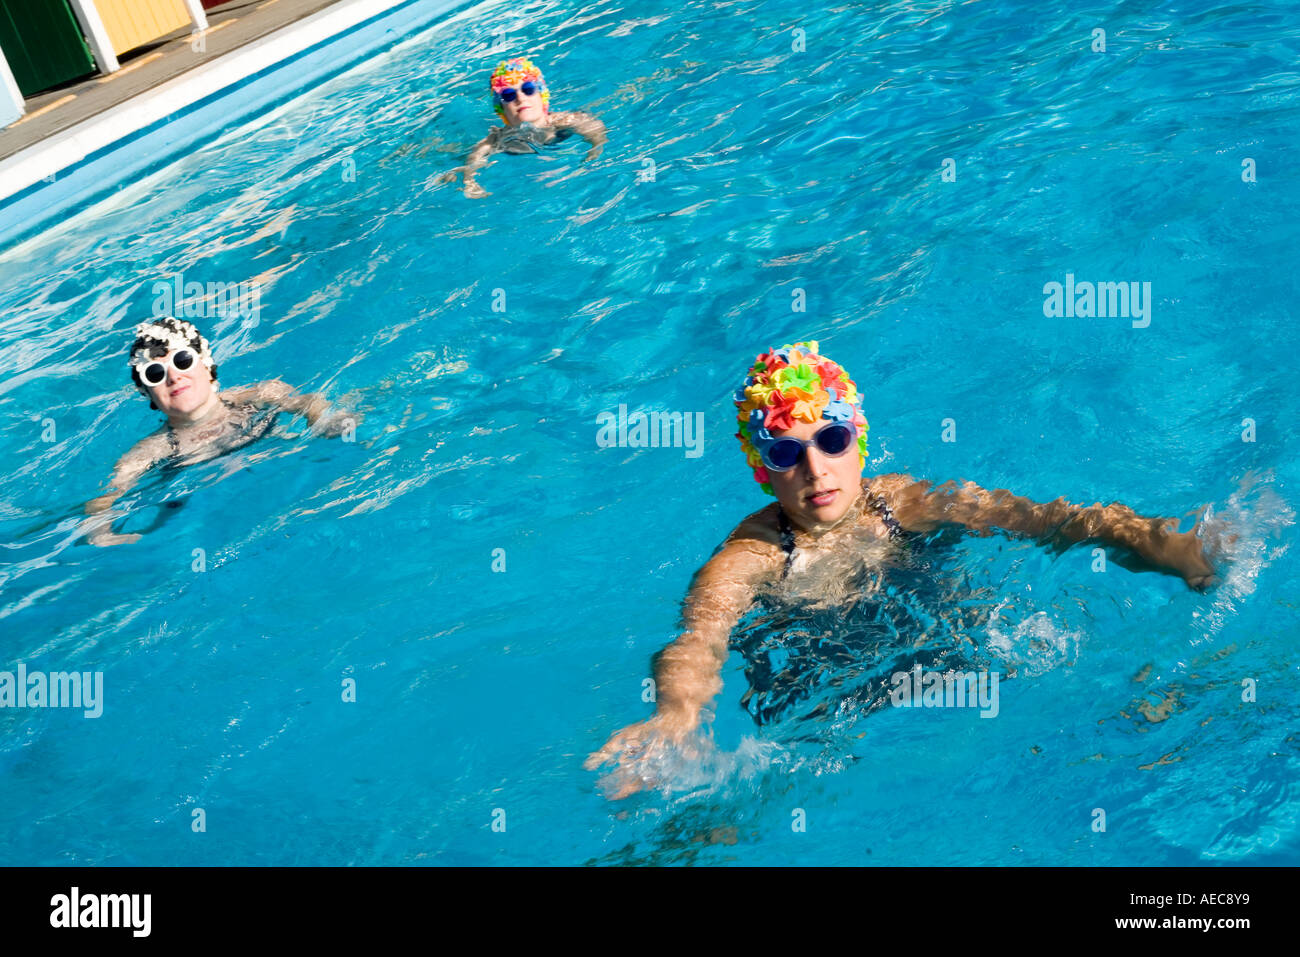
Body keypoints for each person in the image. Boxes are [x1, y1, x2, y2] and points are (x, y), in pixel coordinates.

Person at [585, 340, 1221, 798]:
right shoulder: (749, 557)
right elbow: (698, 641)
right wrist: (677, 717)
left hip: (945, 649)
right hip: (829, 699)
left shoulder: (898, 503)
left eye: (831, 441)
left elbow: (1036, 518)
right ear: (762, 469)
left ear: (857, 440)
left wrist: (1152, 542)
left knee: (1065, 693)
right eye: (786, 452)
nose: (816, 469)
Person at [83, 317, 353, 546]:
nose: (173, 377)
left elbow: (308, 402)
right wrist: (101, 532)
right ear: (148, 394)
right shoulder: (156, 449)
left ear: (207, 367)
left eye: (183, 360)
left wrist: (325, 420)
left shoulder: (260, 395)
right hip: (204, 514)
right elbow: (105, 497)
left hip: (284, 478)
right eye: (155, 373)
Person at [444, 57, 607, 198]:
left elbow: (597, 135)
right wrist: (469, 182)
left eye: (528, 89)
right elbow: (473, 161)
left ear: (542, 96)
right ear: (501, 109)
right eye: (509, 94)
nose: (520, 98)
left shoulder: (567, 120)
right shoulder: (496, 139)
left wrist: (592, 157)